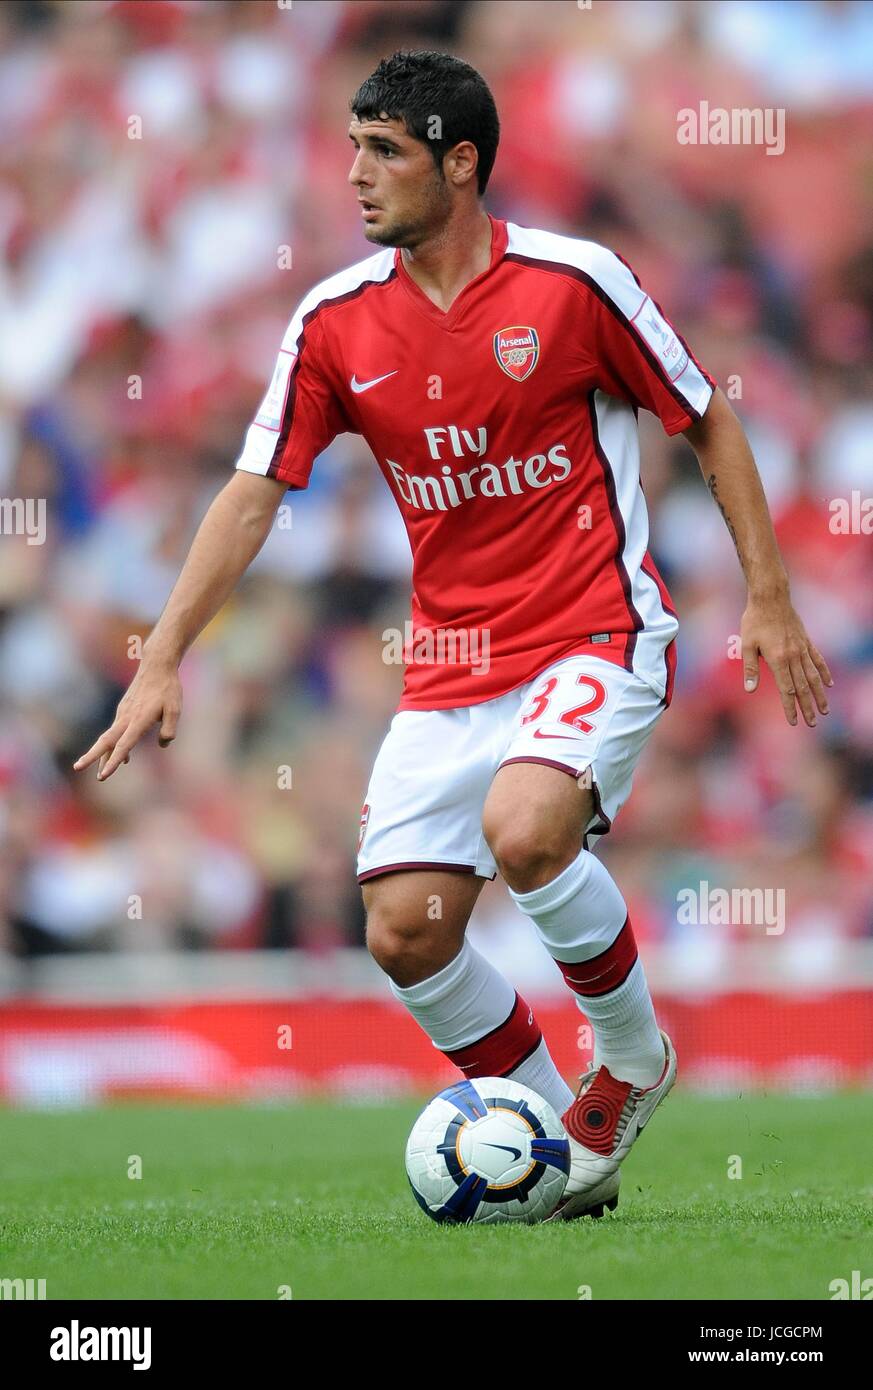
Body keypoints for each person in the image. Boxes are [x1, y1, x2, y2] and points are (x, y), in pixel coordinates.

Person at [74, 51, 832, 1220]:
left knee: (525, 832)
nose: (357, 173)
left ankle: (631, 1055)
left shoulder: (576, 284)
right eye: (352, 147)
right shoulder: (334, 322)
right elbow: (252, 490)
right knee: (405, 932)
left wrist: (770, 599)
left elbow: (709, 419)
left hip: (596, 630)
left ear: (461, 162)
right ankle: (552, 1151)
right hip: (448, 666)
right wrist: (164, 651)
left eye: (386, 151)